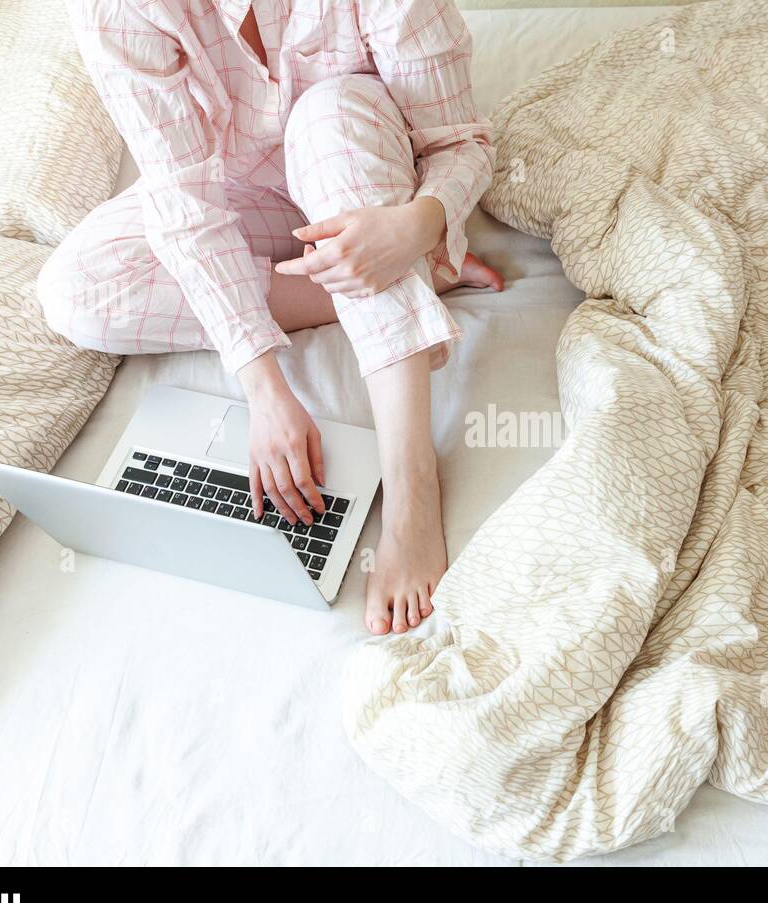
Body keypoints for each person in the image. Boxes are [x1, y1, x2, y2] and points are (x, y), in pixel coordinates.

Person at [39, 0, 503, 636]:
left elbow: (461, 143)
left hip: (367, 176)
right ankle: (416, 279)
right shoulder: (117, 11)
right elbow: (185, 208)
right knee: (77, 289)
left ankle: (411, 490)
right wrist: (263, 385)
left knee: (325, 114)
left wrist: (416, 225)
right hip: (247, 196)